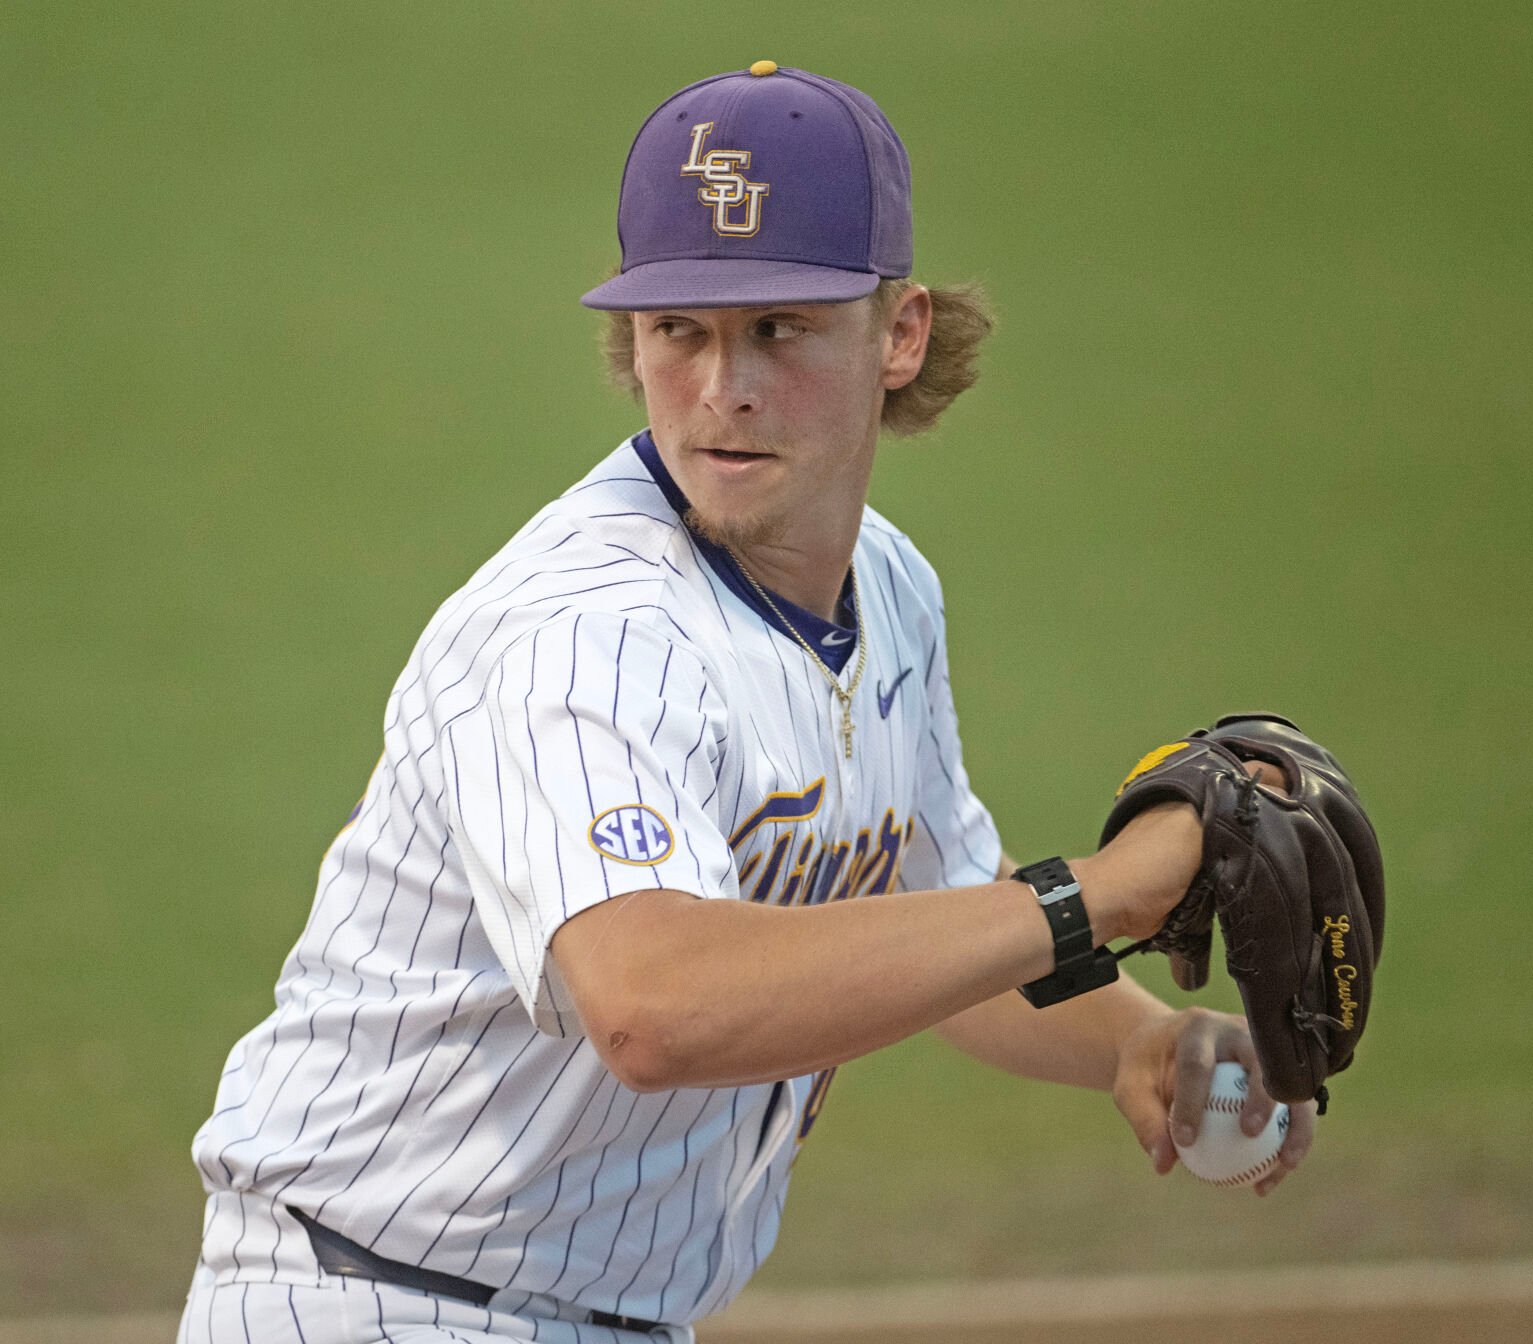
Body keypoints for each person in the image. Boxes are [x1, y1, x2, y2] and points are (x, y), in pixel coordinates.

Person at [178, 62, 1315, 1344]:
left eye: (778, 327)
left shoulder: (888, 587)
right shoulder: (583, 632)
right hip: (374, 1303)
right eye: (682, 333)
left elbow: (933, 918)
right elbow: (656, 1007)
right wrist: (1098, 895)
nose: (725, 387)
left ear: (901, 334)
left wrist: (1132, 1041)